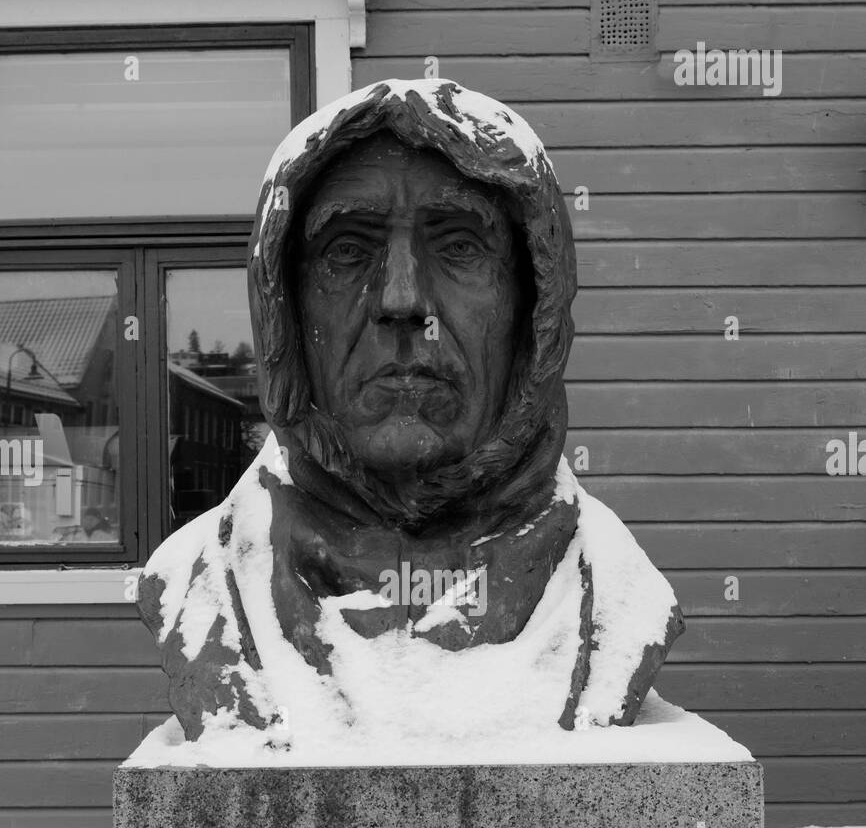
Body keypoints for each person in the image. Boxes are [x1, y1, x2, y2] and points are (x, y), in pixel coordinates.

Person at [139, 79, 683, 747]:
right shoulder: (201, 589)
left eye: (459, 247)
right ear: (286, 307)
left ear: (532, 308)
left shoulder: (619, 599)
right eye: (347, 250)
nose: (402, 300)